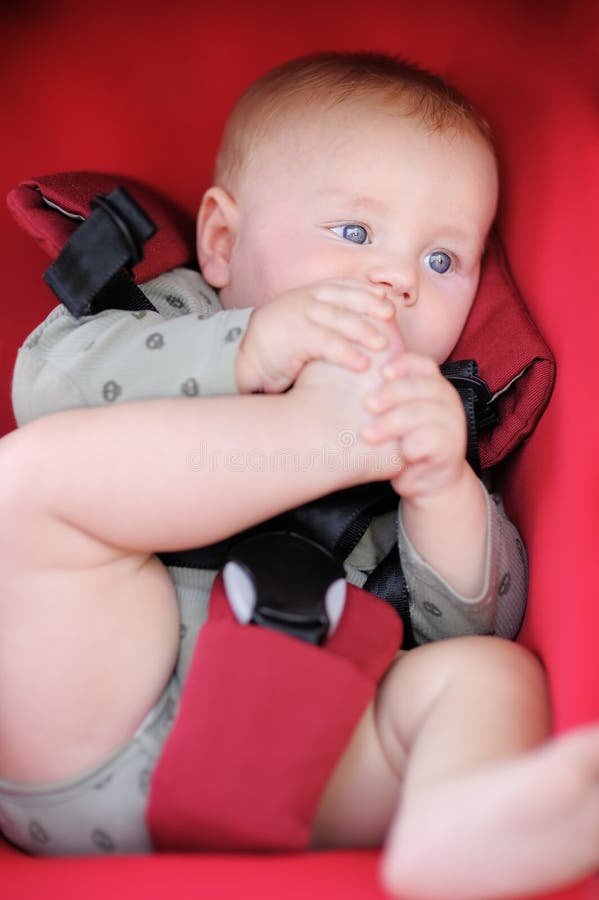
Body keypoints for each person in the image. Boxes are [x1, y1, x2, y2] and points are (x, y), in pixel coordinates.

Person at [1, 52, 598, 899]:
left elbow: (476, 624)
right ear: (221, 242)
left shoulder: (422, 419)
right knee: (22, 487)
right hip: (83, 712)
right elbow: (46, 389)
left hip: (287, 752)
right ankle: (312, 437)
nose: (394, 278)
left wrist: (442, 492)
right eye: (355, 234)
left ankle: (454, 822)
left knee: (486, 677)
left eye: (441, 261)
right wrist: (246, 350)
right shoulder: (176, 315)